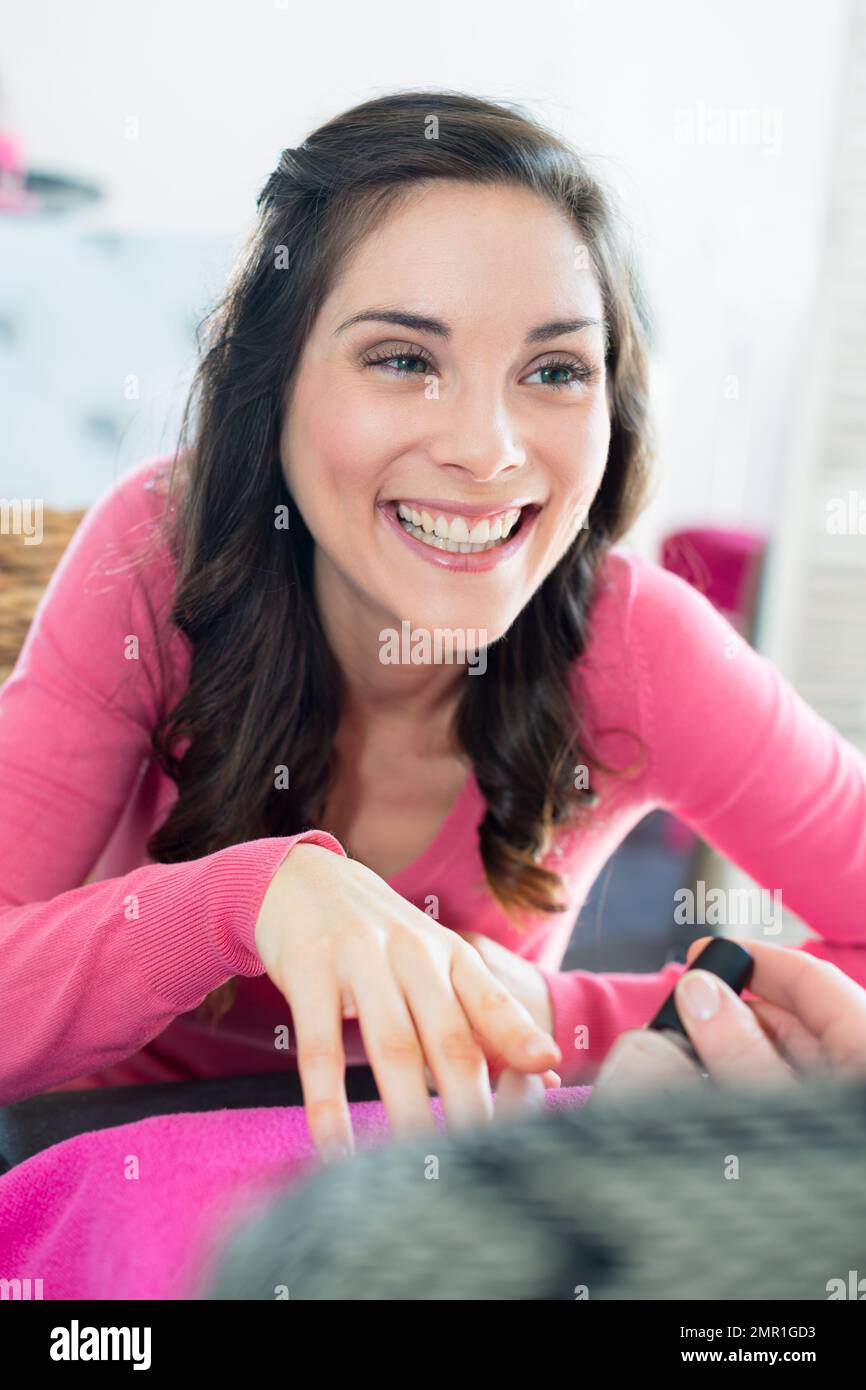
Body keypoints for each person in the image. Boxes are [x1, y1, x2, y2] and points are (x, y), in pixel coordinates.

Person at [2, 91, 864, 1164]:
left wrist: (569, 1018)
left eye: (552, 371)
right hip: (120, 1167)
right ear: (269, 395)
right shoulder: (155, 557)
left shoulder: (636, 642)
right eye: (404, 359)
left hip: (442, 1193)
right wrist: (249, 896)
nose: (489, 449)